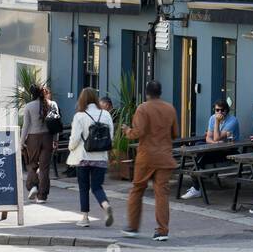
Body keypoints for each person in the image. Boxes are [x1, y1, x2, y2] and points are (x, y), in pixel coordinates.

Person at [122, 79, 179, 242]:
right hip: (164, 157)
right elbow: (175, 133)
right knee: (162, 193)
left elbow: (137, 133)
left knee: (137, 189)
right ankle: (162, 230)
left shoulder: (143, 108)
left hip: (146, 156)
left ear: (147, 93)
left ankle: (133, 227)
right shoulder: (170, 108)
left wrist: (127, 130)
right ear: (160, 92)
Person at [68, 87, 114, 228]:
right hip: (100, 157)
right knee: (96, 187)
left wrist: (70, 147)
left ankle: (85, 217)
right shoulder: (106, 114)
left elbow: (75, 138)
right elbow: (110, 136)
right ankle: (105, 205)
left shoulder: (79, 116)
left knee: (83, 187)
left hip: (83, 156)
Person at [181, 100, 241, 199]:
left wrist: (217, 123)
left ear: (227, 111)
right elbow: (208, 138)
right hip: (215, 148)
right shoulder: (212, 118)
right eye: (217, 110)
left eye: (222, 110)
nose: (219, 113)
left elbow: (217, 137)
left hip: (228, 150)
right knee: (199, 145)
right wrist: (215, 143)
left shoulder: (232, 120)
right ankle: (198, 179)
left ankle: (197, 185)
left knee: (199, 159)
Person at [22, 85, 58, 202]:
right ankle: (42, 196)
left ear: (32, 94)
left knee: (32, 164)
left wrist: (21, 141)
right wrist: (55, 140)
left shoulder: (28, 106)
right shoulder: (52, 104)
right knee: (44, 168)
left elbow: (26, 126)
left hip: (33, 138)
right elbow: (56, 124)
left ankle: (33, 186)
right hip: (48, 138)